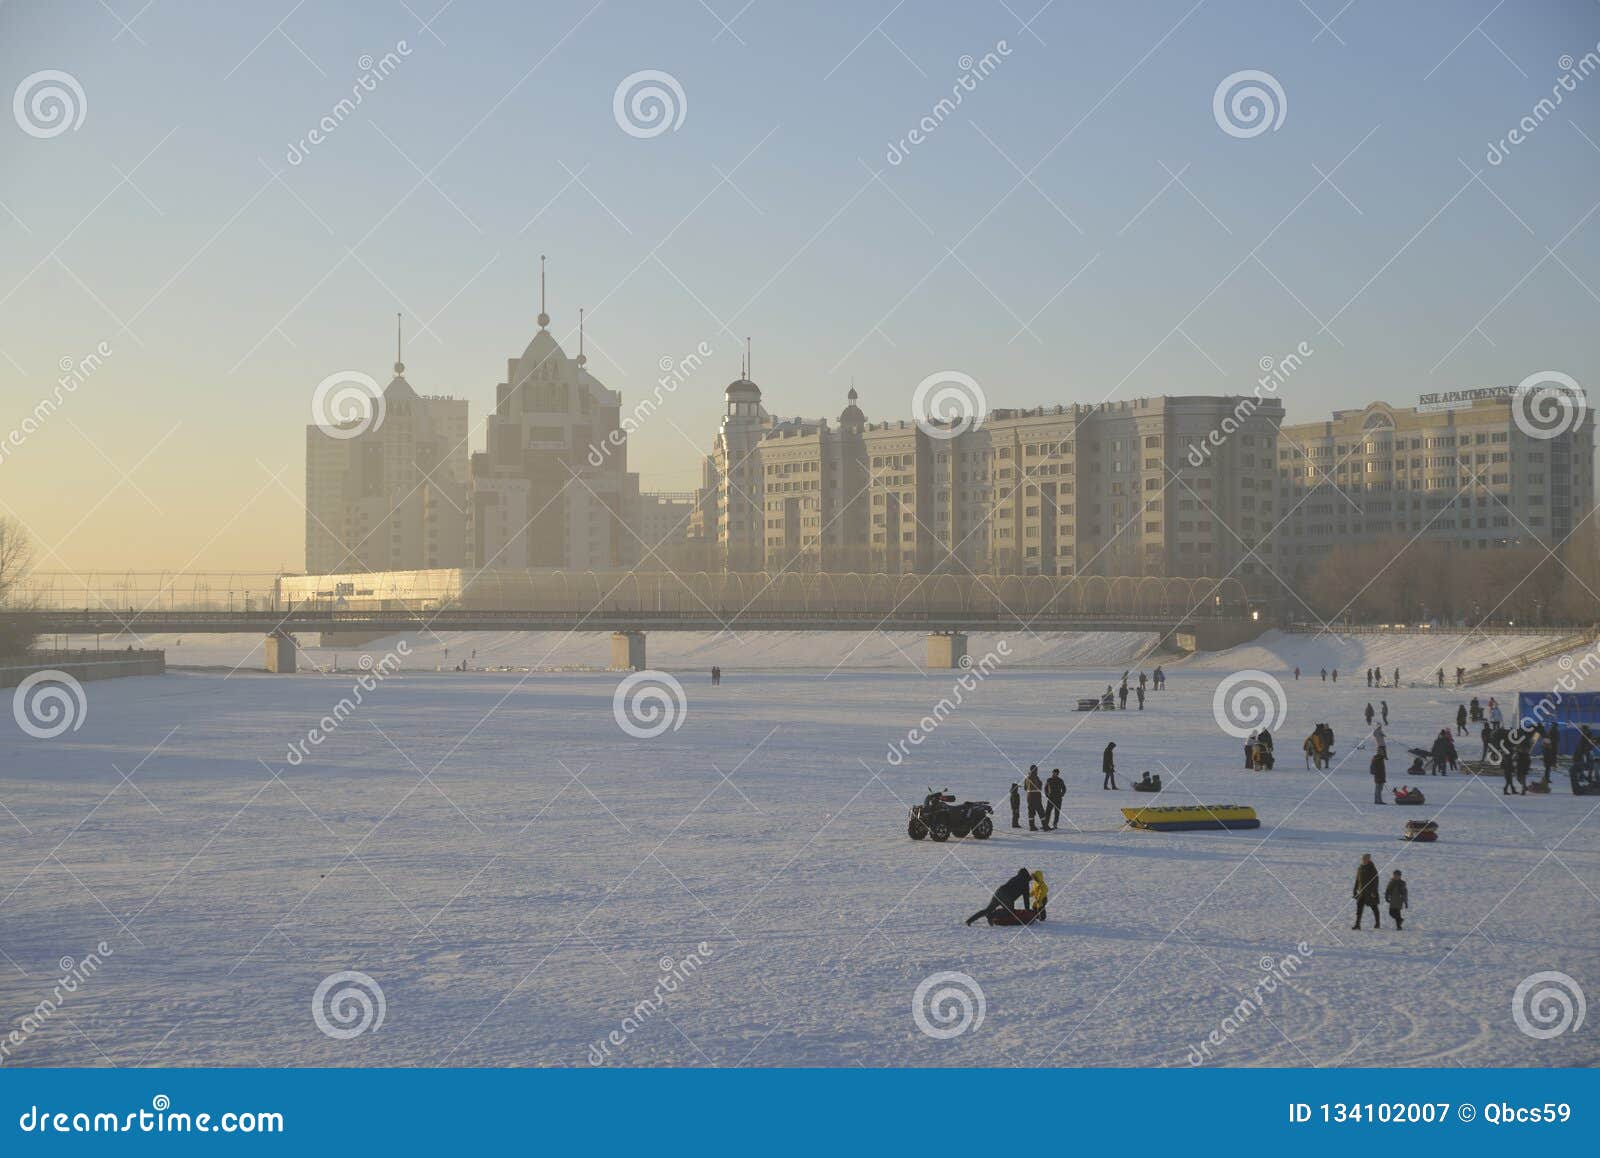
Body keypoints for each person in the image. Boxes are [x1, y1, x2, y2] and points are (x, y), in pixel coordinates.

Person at [966, 867, 1034, 925]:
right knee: (1009, 911)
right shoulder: (1025, 884)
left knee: (988, 909)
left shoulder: (1015, 877)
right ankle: (991, 915)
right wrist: (1027, 910)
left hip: (999, 892)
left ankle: (969, 921)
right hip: (1007, 896)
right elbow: (1026, 899)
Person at [1353, 853, 1381, 929]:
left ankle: (1377, 923)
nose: (1364, 860)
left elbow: (1376, 881)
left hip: (1370, 892)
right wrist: (1354, 890)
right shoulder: (1360, 868)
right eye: (1363, 859)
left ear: (1369, 859)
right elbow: (1357, 880)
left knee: (1374, 907)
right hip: (1362, 892)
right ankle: (1357, 924)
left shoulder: (1372, 868)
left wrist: (1374, 891)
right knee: (1359, 907)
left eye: (1366, 859)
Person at [1024, 765, 1044, 831]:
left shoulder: (1027, 777)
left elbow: (1025, 788)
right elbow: (1038, 786)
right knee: (1041, 811)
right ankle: (1045, 826)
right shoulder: (1035, 777)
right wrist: (1041, 783)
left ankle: (1031, 826)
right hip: (1036, 796)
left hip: (1029, 797)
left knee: (1031, 812)